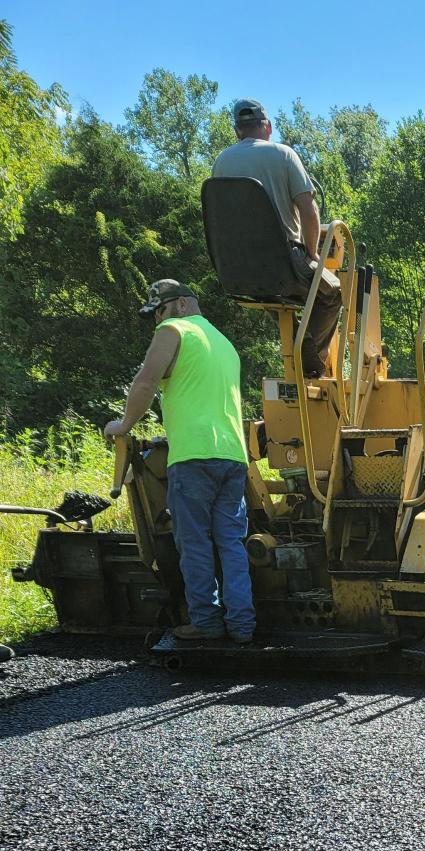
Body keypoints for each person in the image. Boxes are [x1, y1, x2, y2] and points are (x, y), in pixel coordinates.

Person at [104, 280, 256, 646]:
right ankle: (242, 626)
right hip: (233, 456)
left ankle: (205, 622)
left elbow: (145, 383)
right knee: (232, 543)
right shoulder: (224, 344)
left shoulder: (173, 331)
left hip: (193, 456)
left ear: (183, 305)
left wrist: (123, 425)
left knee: (195, 542)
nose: (157, 318)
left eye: (161, 308)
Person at [212, 98, 341, 378]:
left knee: (269, 293)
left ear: (238, 130)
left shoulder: (221, 162)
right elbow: (309, 209)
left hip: (236, 269)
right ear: (267, 127)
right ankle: (311, 361)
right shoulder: (283, 155)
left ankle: (299, 341)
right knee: (332, 292)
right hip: (282, 262)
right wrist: (313, 253)